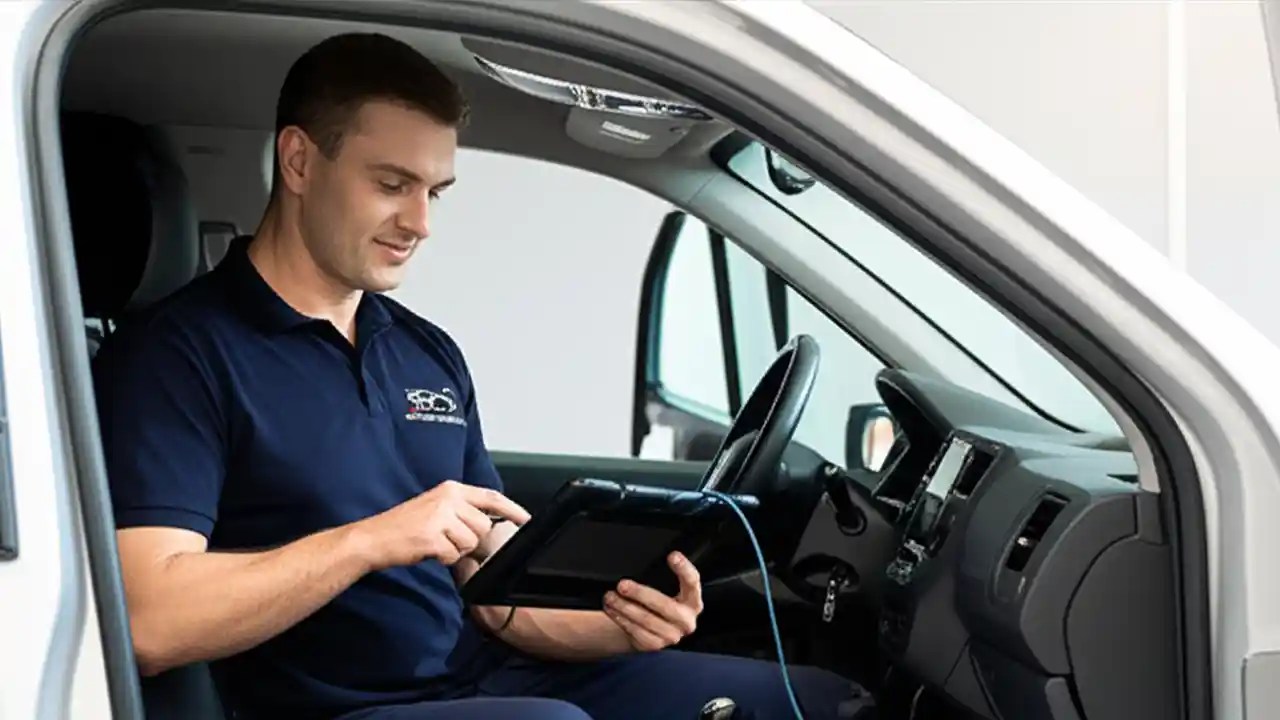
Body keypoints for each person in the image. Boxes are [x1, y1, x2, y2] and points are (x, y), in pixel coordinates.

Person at [93, 32, 861, 720]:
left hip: (488, 679)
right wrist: (371, 541)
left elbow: (494, 598)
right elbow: (150, 624)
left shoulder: (425, 353)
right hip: (340, 709)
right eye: (392, 185)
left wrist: (618, 623)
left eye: (434, 192)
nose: (421, 223)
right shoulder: (178, 357)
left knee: (818, 703)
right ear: (299, 160)